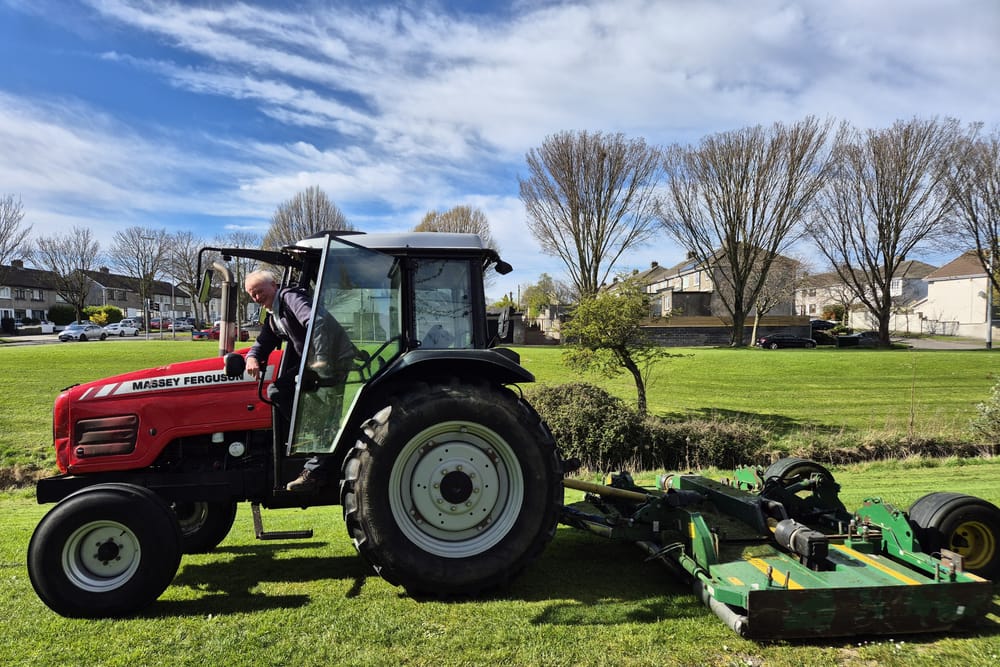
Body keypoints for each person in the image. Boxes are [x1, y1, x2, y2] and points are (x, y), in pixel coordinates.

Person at [244, 269, 355, 493]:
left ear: (274, 285)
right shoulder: (275, 314)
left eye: (259, 291)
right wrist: (252, 357)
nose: (256, 298)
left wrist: (321, 359)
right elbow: (264, 340)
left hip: (332, 358)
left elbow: (317, 322)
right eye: (251, 295)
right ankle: (308, 436)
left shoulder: (289, 297)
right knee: (277, 391)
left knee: (320, 412)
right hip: (315, 360)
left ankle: (317, 462)